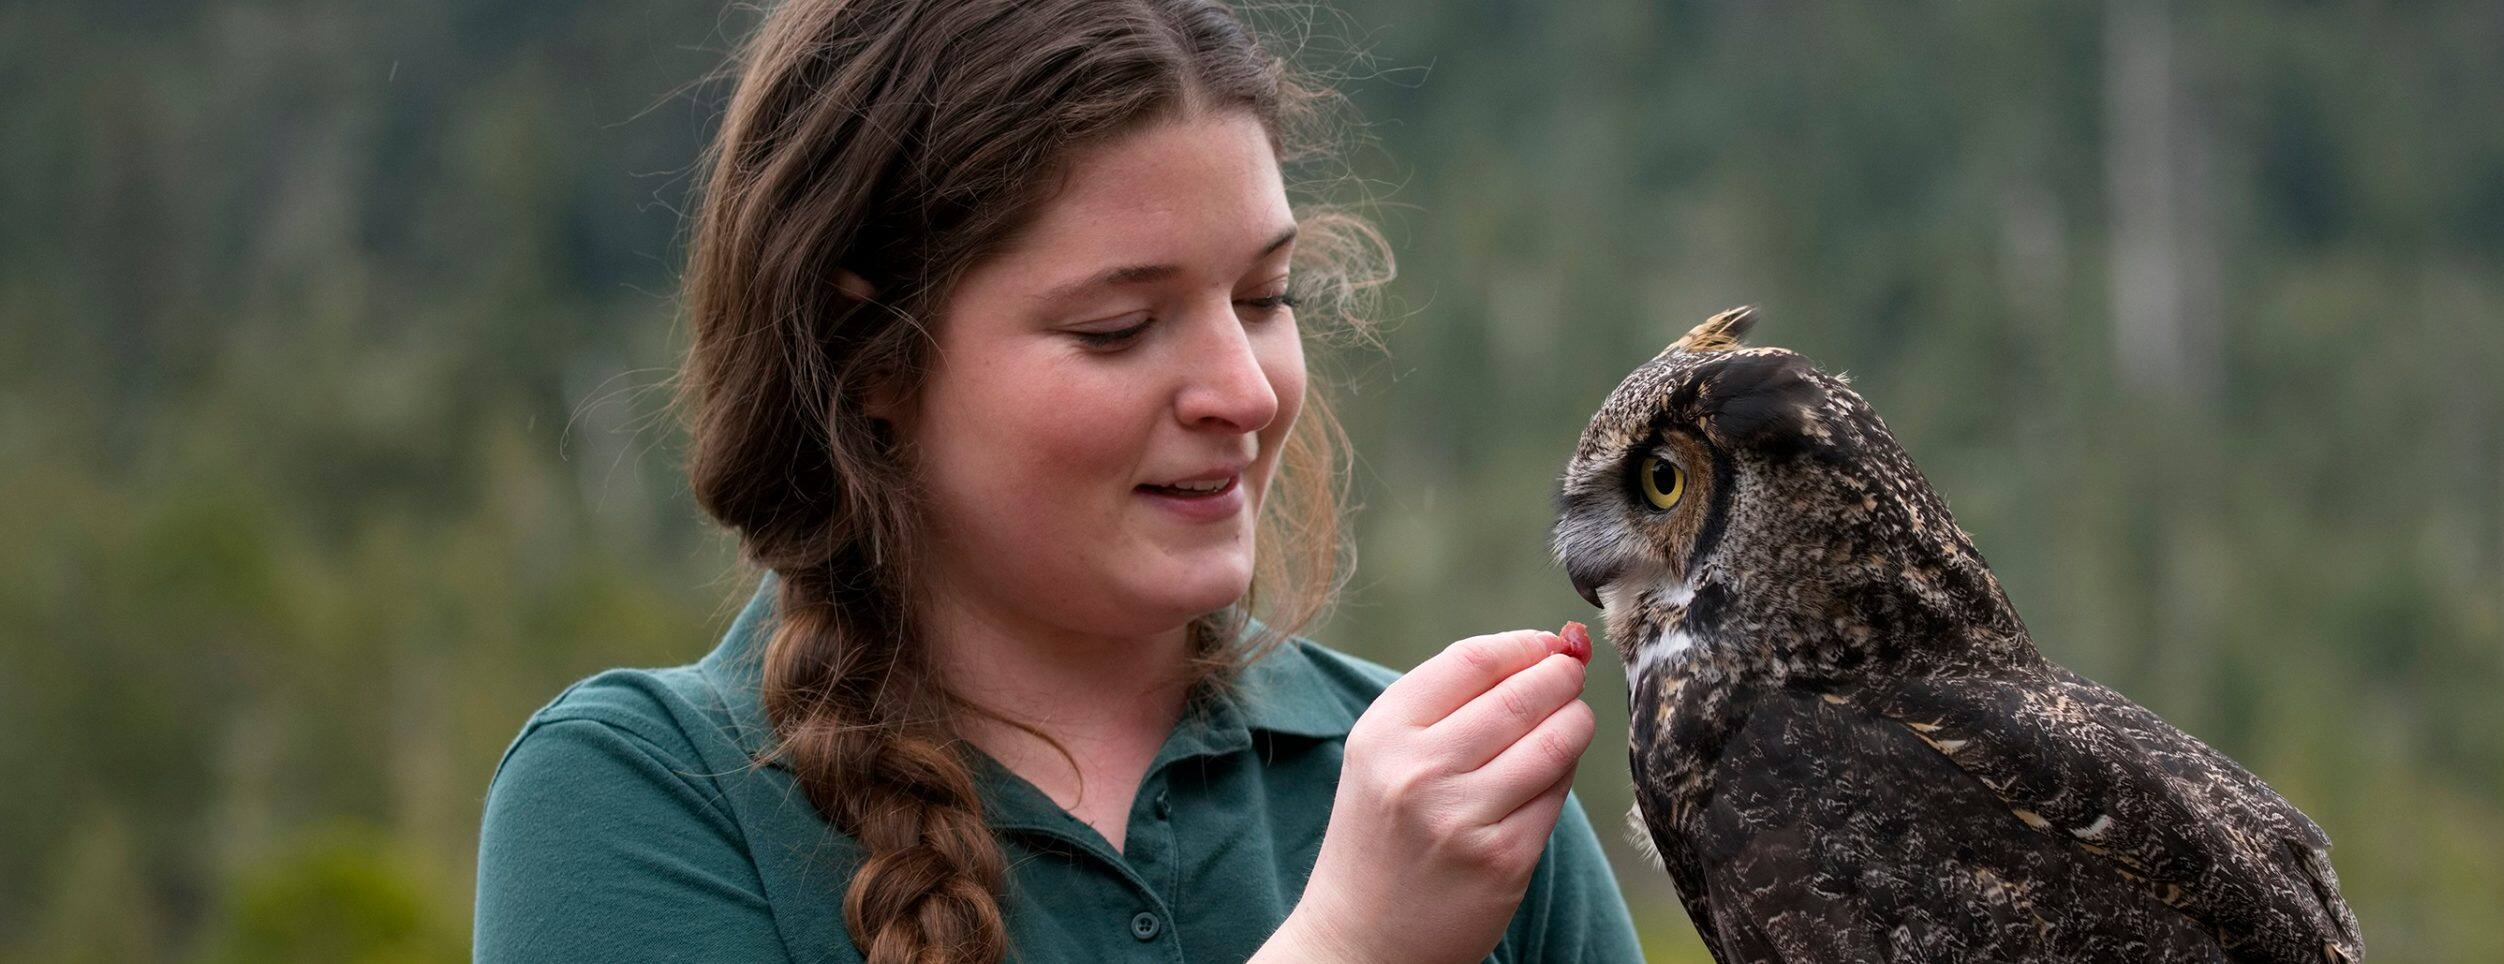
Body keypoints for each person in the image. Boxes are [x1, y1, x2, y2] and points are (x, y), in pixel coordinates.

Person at [469, 1, 1647, 961]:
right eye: (1118, 325)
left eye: (1262, 299)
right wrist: (1349, 945)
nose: (1240, 390)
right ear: (870, 359)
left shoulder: (1437, 792)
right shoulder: (645, 800)